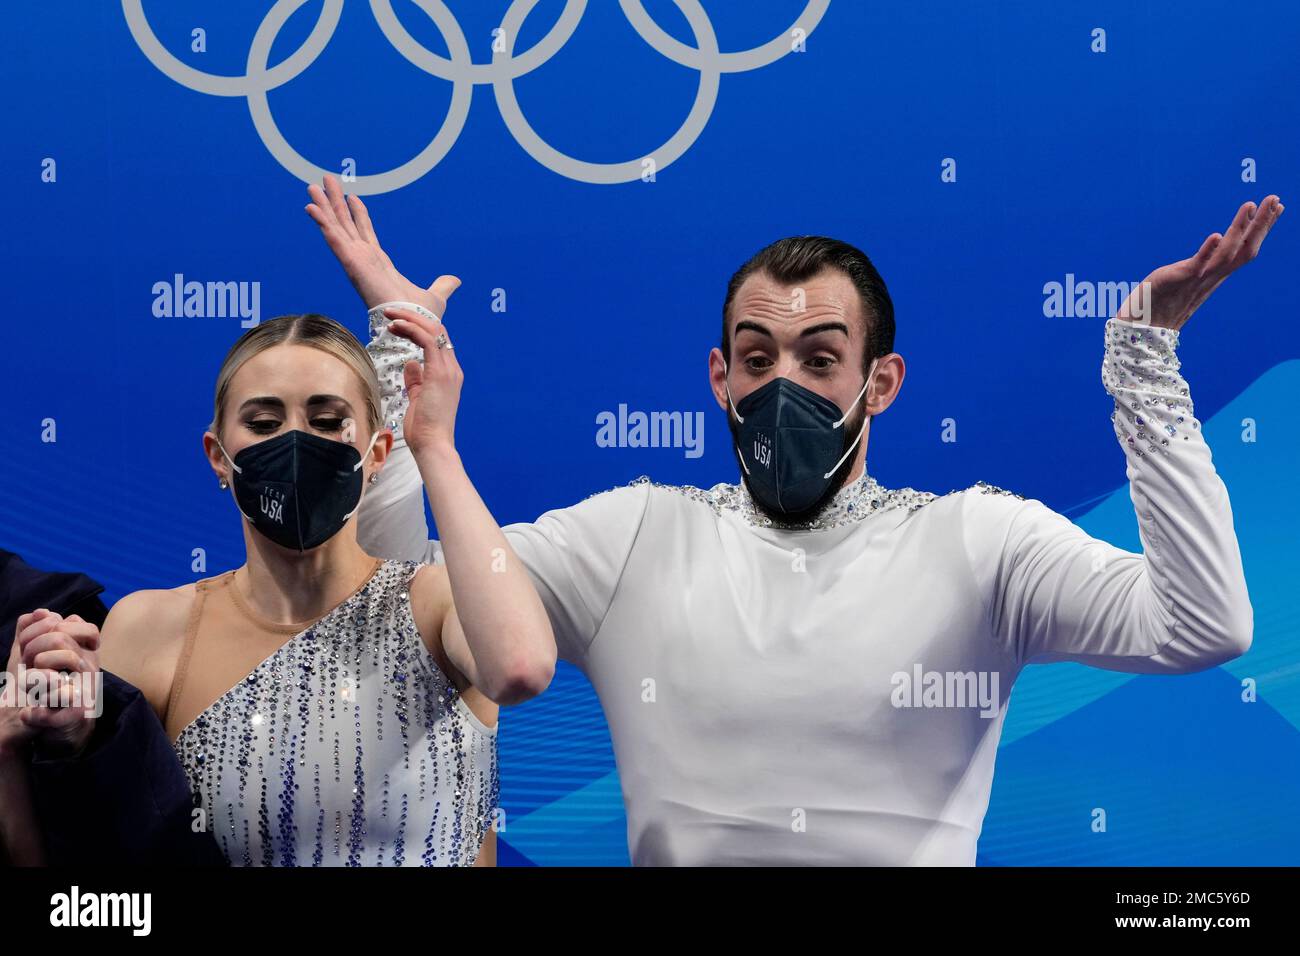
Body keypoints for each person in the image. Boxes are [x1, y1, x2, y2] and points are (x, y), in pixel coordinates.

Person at [346, 180, 1282, 865]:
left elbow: (1205, 622)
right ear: (720, 379)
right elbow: (406, 611)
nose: (782, 382)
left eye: (820, 357)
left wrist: (1144, 366)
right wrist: (398, 372)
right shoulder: (632, 535)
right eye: (758, 358)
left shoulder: (980, 541)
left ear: (882, 383)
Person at [5, 297, 556, 866]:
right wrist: (27, 741)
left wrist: (436, 447)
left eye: (327, 420)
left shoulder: (434, 606)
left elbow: (520, 667)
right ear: (219, 457)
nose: (296, 443)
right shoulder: (150, 628)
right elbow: (86, 884)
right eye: (264, 423)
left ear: (377, 454)